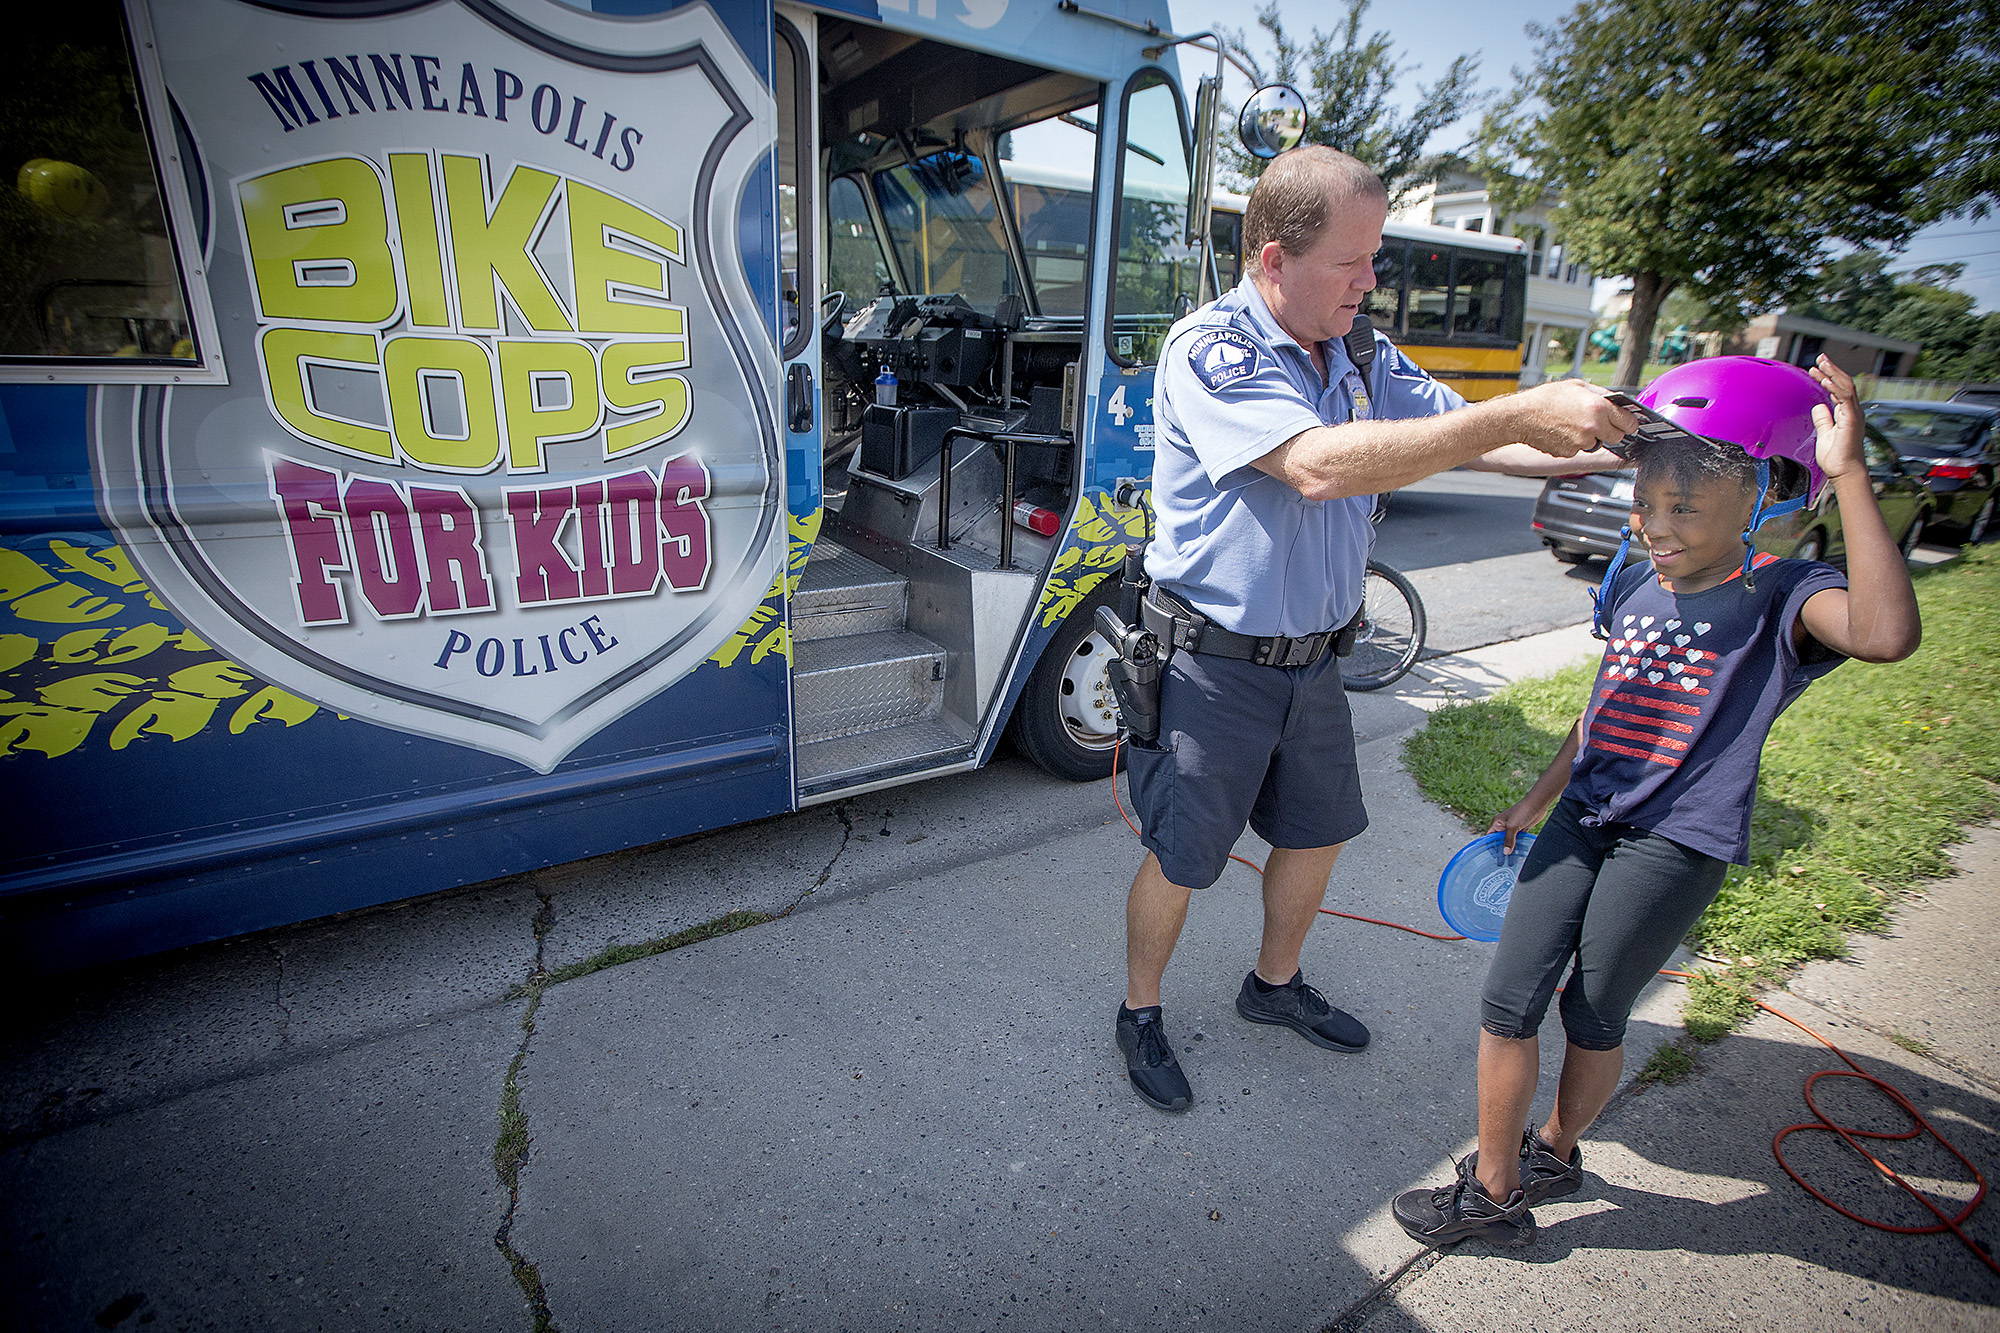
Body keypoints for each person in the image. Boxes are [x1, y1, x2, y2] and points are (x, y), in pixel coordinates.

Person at [1116, 144, 1639, 1113]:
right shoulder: (1211, 348)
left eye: (1376, 254)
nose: (1372, 279)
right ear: (1272, 260)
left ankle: (1271, 986)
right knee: (1181, 855)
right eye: (1352, 260)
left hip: (1313, 667)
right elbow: (1315, 464)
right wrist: (1518, 415)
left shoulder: (1357, 350)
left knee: (1314, 838)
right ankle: (1139, 1011)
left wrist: (1598, 446)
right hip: (1212, 665)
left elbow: (1471, 432)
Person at [1391, 353, 1922, 1247]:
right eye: (1645, 503)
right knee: (1507, 999)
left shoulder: (1784, 596)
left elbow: (1885, 632)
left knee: (1593, 1013)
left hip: (1675, 841)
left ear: (1757, 501)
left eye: (1684, 509)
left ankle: (1557, 1148)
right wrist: (1535, 797)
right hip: (1582, 817)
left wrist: (1852, 473)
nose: (1654, 526)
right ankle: (1494, 1191)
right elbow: (1608, 701)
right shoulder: (1636, 577)